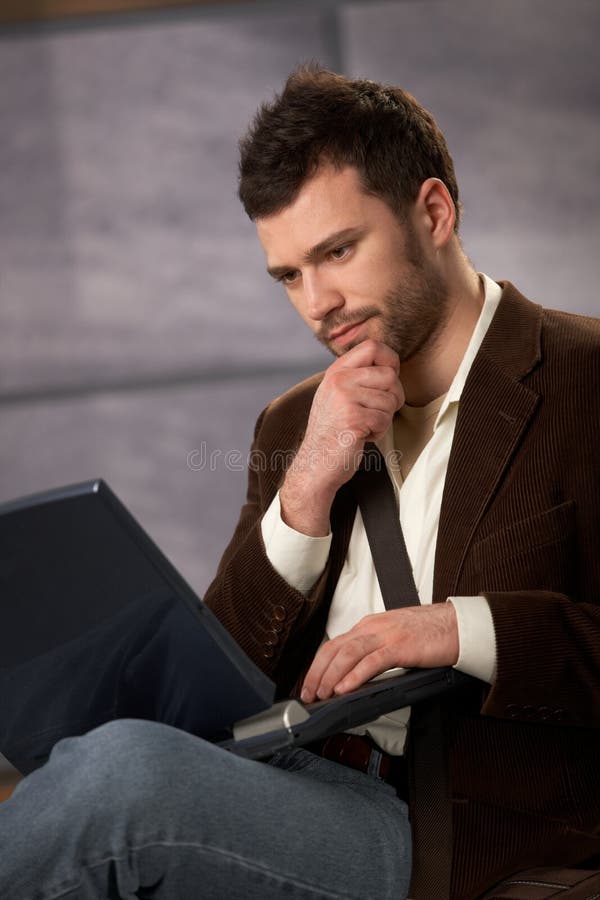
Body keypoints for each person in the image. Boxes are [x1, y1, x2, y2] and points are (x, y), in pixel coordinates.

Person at [1, 66, 599, 900]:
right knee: (101, 752)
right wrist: (304, 496)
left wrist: (462, 629)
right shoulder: (293, 423)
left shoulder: (583, 378)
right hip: (286, 769)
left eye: (338, 251)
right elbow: (219, 680)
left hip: (448, 824)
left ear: (433, 213)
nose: (318, 304)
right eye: (288, 275)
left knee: (124, 775)